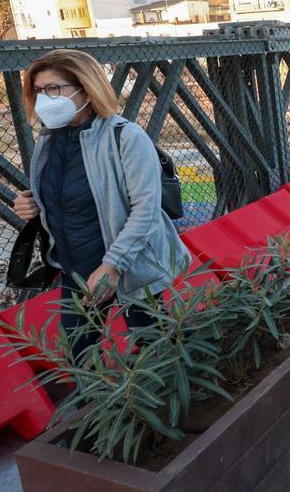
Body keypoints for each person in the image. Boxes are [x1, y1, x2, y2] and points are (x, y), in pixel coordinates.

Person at [11, 49, 189, 364]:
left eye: (53, 89)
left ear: (85, 87)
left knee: (158, 350)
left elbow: (145, 209)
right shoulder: (48, 141)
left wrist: (113, 265)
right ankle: (96, 412)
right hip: (75, 269)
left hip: (128, 265)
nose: (44, 98)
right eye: (38, 91)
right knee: (81, 357)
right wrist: (33, 203)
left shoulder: (126, 137)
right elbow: (74, 192)